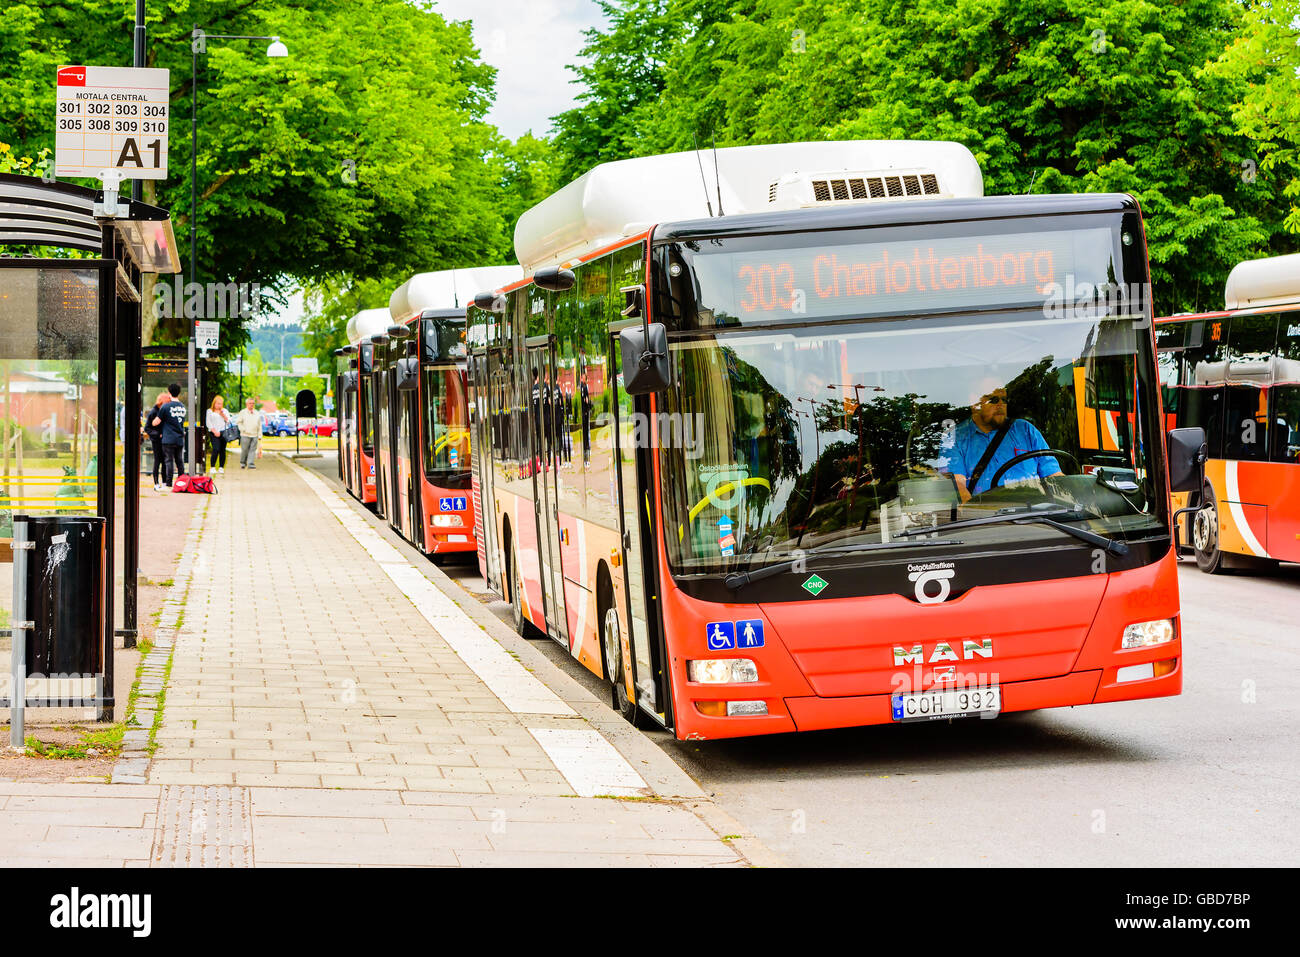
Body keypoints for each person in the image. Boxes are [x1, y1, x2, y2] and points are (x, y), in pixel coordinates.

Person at [946, 379, 1063, 503]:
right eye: (994, 400)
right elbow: (959, 489)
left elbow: (1054, 476)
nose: (1000, 404)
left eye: (1004, 400)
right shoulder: (954, 438)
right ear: (975, 402)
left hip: (1036, 515)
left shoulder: (1025, 430)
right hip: (989, 518)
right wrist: (974, 514)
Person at [152, 383, 187, 487]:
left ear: (169, 392)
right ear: (179, 393)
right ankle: (181, 482)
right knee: (179, 461)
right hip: (179, 438)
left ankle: (169, 483)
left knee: (169, 461)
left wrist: (153, 421)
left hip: (168, 439)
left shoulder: (166, 406)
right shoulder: (182, 407)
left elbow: (156, 422)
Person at [144, 390, 170, 491]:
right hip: (156, 440)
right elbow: (147, 428)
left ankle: (164, 482)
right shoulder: (154, 412)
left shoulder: (163, 411)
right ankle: (156, 483)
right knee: (157, 461)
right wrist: (157, 434)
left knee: (164, 461)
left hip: (164, 439)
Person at [234, 397, 263, 469]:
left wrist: (260, 435)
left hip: (254, 435)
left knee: (252, 450)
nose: (251, 405)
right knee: (245, 450)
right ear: (246, 404)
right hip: (245, 434)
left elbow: (259, 425)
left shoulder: (257, 413)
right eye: (250, 403)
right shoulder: (243, 412)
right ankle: (243, 462)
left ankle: (250, 463)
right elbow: (238, 422)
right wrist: (243, 429)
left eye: (253, 403)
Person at [206, 395, 231, 474]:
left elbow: (228, 422)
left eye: (220, 404)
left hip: (223, 432)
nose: (219, 405)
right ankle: (212, 467)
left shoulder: (225, 411)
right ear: (214, 403)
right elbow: (208, 423)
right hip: (214, 432)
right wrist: (214, 431)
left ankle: (221, 467)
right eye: (217, 404)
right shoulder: (210, 411)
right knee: (216, 449)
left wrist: (223, 415)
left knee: (222, 450)